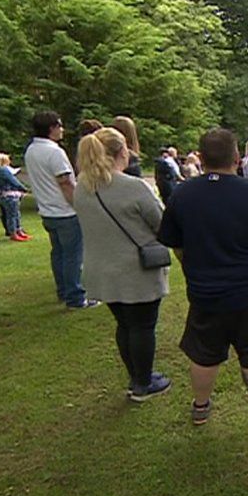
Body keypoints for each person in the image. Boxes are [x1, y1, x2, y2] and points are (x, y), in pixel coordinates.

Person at [158, 128, 248, 427]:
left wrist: (190, 265)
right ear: (237, 157)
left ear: (202, 158)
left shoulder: (182, 195)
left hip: (206, 291)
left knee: (204, 353)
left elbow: (175, 243)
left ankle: (201, 407)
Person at [73, 127, 171, 402]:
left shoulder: (83, 186)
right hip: (134, 270)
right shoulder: (132, 186)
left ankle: (136, 376)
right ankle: (142, 383)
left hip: (100, 268)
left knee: (125, 325)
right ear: (122, 152)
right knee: (142, 326)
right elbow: (161, 223)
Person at [24, 111, 97, 309]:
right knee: (73, 255)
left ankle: (63, 291)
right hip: (65, 211)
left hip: (48, 211)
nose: (62, 130)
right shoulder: (54, 152)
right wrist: (79, 205)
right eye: (60, 126)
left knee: (59, 254)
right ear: (52, 128)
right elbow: (65, 183)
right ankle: (75, 297)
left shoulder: (31, 150)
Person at [0, 153, 31, 242]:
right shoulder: (3, 170)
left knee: (13, 214)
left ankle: (18, 231)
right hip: (9, 194)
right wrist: (24, 188)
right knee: (13, 215)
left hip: (2, 194)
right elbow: (13, 181)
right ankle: (14, 233)